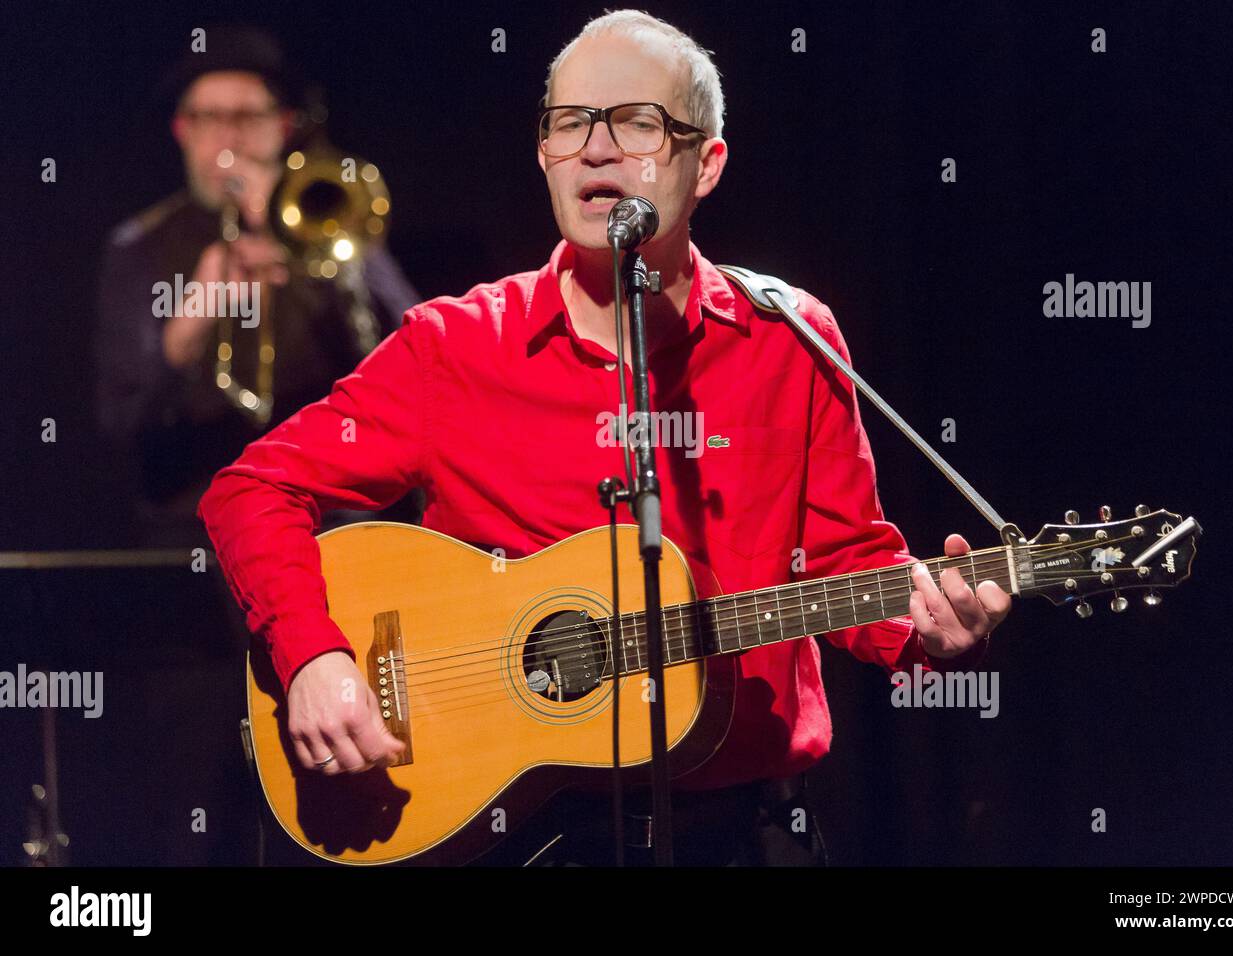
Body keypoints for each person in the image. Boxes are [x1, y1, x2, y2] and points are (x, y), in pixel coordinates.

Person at [198, 11, 1012, 866]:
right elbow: (251, 490)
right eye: (570, 123)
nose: (596, 149)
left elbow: (847, 564)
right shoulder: (457, 346)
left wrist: (930, 627)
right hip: (522, 836)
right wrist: (314, 657)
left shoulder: (791, 337)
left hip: (751, 832)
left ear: (708, 165)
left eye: (637, 123)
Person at [97, 26, 420, 547]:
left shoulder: (329, 221)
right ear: (182, 129)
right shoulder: (139, 248)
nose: (230, 137)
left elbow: (420, 353)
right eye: (209, 118)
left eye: (249, 116)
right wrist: (187, 327)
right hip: (194, 531)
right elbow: (121, 420)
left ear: (285, 126)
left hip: (334, 523)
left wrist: (333, 261)